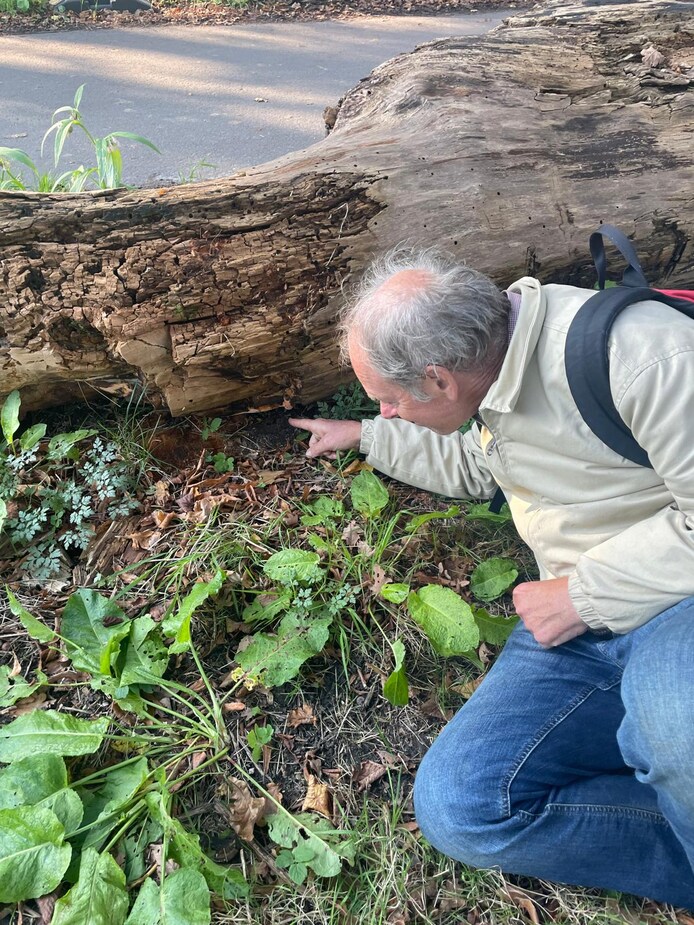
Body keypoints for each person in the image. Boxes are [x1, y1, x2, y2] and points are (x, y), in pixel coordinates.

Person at [288, 248, 694, 908]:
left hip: (675, 601)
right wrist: (366, 434)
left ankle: (659, 746)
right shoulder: (491, 360)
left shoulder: (645, 356)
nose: (388, 411)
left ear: (440, 380)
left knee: (676, 725)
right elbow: (480, 467)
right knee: (462, 805)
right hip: (581, 623)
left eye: (390, 400)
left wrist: (582, 593)